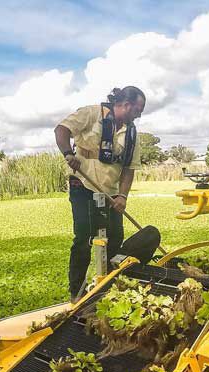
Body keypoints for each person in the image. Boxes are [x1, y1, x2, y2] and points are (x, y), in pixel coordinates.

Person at [54, 86, 146, 299]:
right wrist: (68, 153)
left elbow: (129, 169)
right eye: (137, 110)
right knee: (84, 238)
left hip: (111, 192)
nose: (139, 115)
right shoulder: (92, 113)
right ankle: (77, 293)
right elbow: (61, 130)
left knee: (116, 237)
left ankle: (108, 288)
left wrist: (122, 196)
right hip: (83, 184)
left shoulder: (132, 133)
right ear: (125, 104)